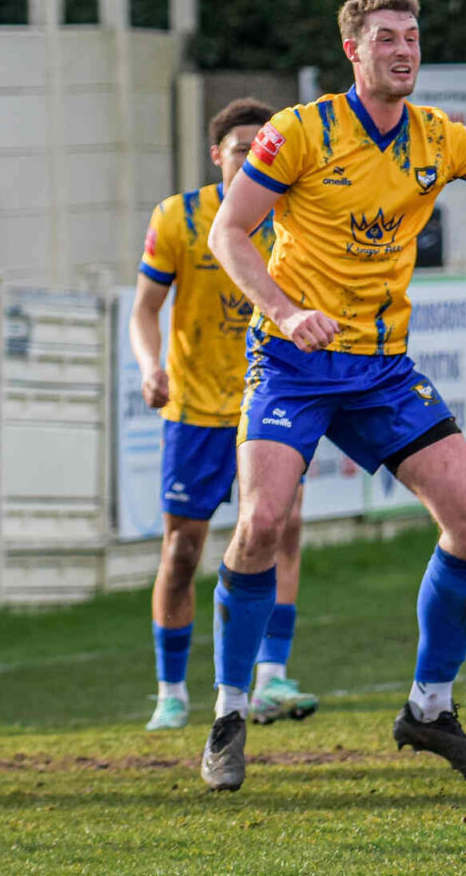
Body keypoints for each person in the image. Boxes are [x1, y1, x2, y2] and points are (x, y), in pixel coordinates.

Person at [202, 0, 466, 792]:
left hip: (381, 369)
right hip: (293, 363)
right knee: (261, 523)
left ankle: (429, 709)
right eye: (386, 38)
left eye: (412, 37)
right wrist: (284, 310)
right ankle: (230, 713)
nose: (403, 51)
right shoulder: (299, 131)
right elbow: (228, 231)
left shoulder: (439, 136)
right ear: (353, 51)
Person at [131, 100, 319, 733]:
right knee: (183, 550)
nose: (252, 158)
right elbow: (144, 310)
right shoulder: (180, 218)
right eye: (241, 149)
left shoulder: (296, 215)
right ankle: (170, 692)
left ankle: (270, 678)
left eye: (262, 147)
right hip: (195, 412)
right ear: (218, 155)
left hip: (271, 403)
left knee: (282, 529)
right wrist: (149, 366)